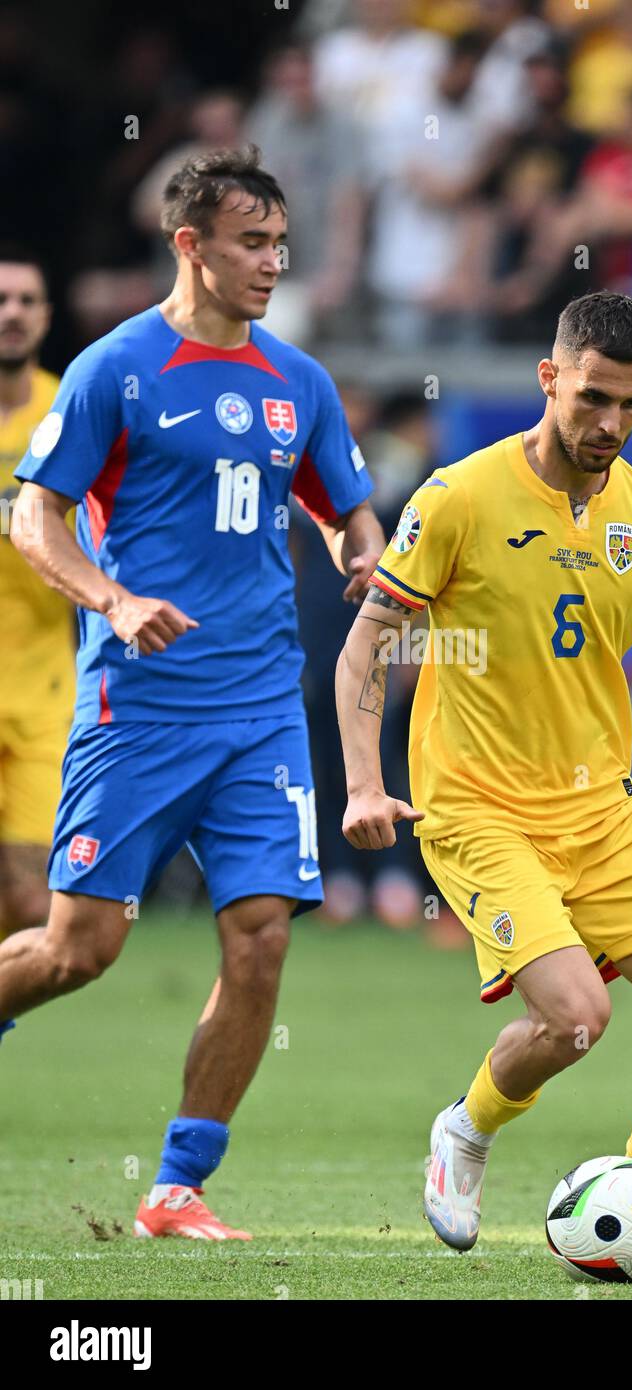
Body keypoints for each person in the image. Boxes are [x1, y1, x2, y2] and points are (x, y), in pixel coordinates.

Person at [334, 290, 632, 1277]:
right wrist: (362, 784)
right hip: (476, 806)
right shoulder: (459, 496)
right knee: (575, 1018)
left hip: (601, 812)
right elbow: (364, 646)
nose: (610, 423)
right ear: (549, 377)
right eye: (593, 397)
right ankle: (465, 1131)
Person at [5, 147, 384, 1240]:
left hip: (261, 708)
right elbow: (35, 516)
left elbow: (343, 507)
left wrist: (361, 550)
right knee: (79, 947)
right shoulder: (116, 369)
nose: (272, 264)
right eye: (251, 243)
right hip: (139, 708)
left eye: (280, 245)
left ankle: (178, 1185)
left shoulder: (299, 382)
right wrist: (114, 600)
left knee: (261, 935)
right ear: (189, 245)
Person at [0, 249, 72, 939]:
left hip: (44, 686)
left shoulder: (70, 411)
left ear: (46, 316)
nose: (12, 313)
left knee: (31, 902)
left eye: (26, 300)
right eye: (1, 300)